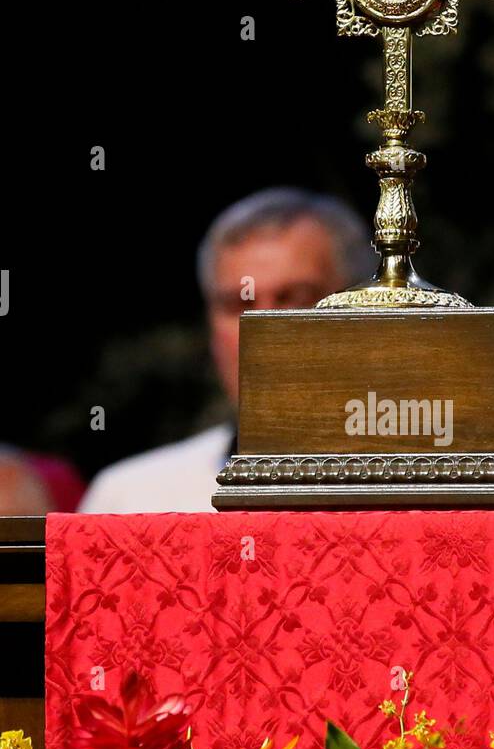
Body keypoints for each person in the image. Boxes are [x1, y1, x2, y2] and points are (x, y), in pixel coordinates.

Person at [79, 188, 372, 513]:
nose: (263, 327)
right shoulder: (130, 500)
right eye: (238, 304)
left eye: (295, 298)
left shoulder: (425, 489)